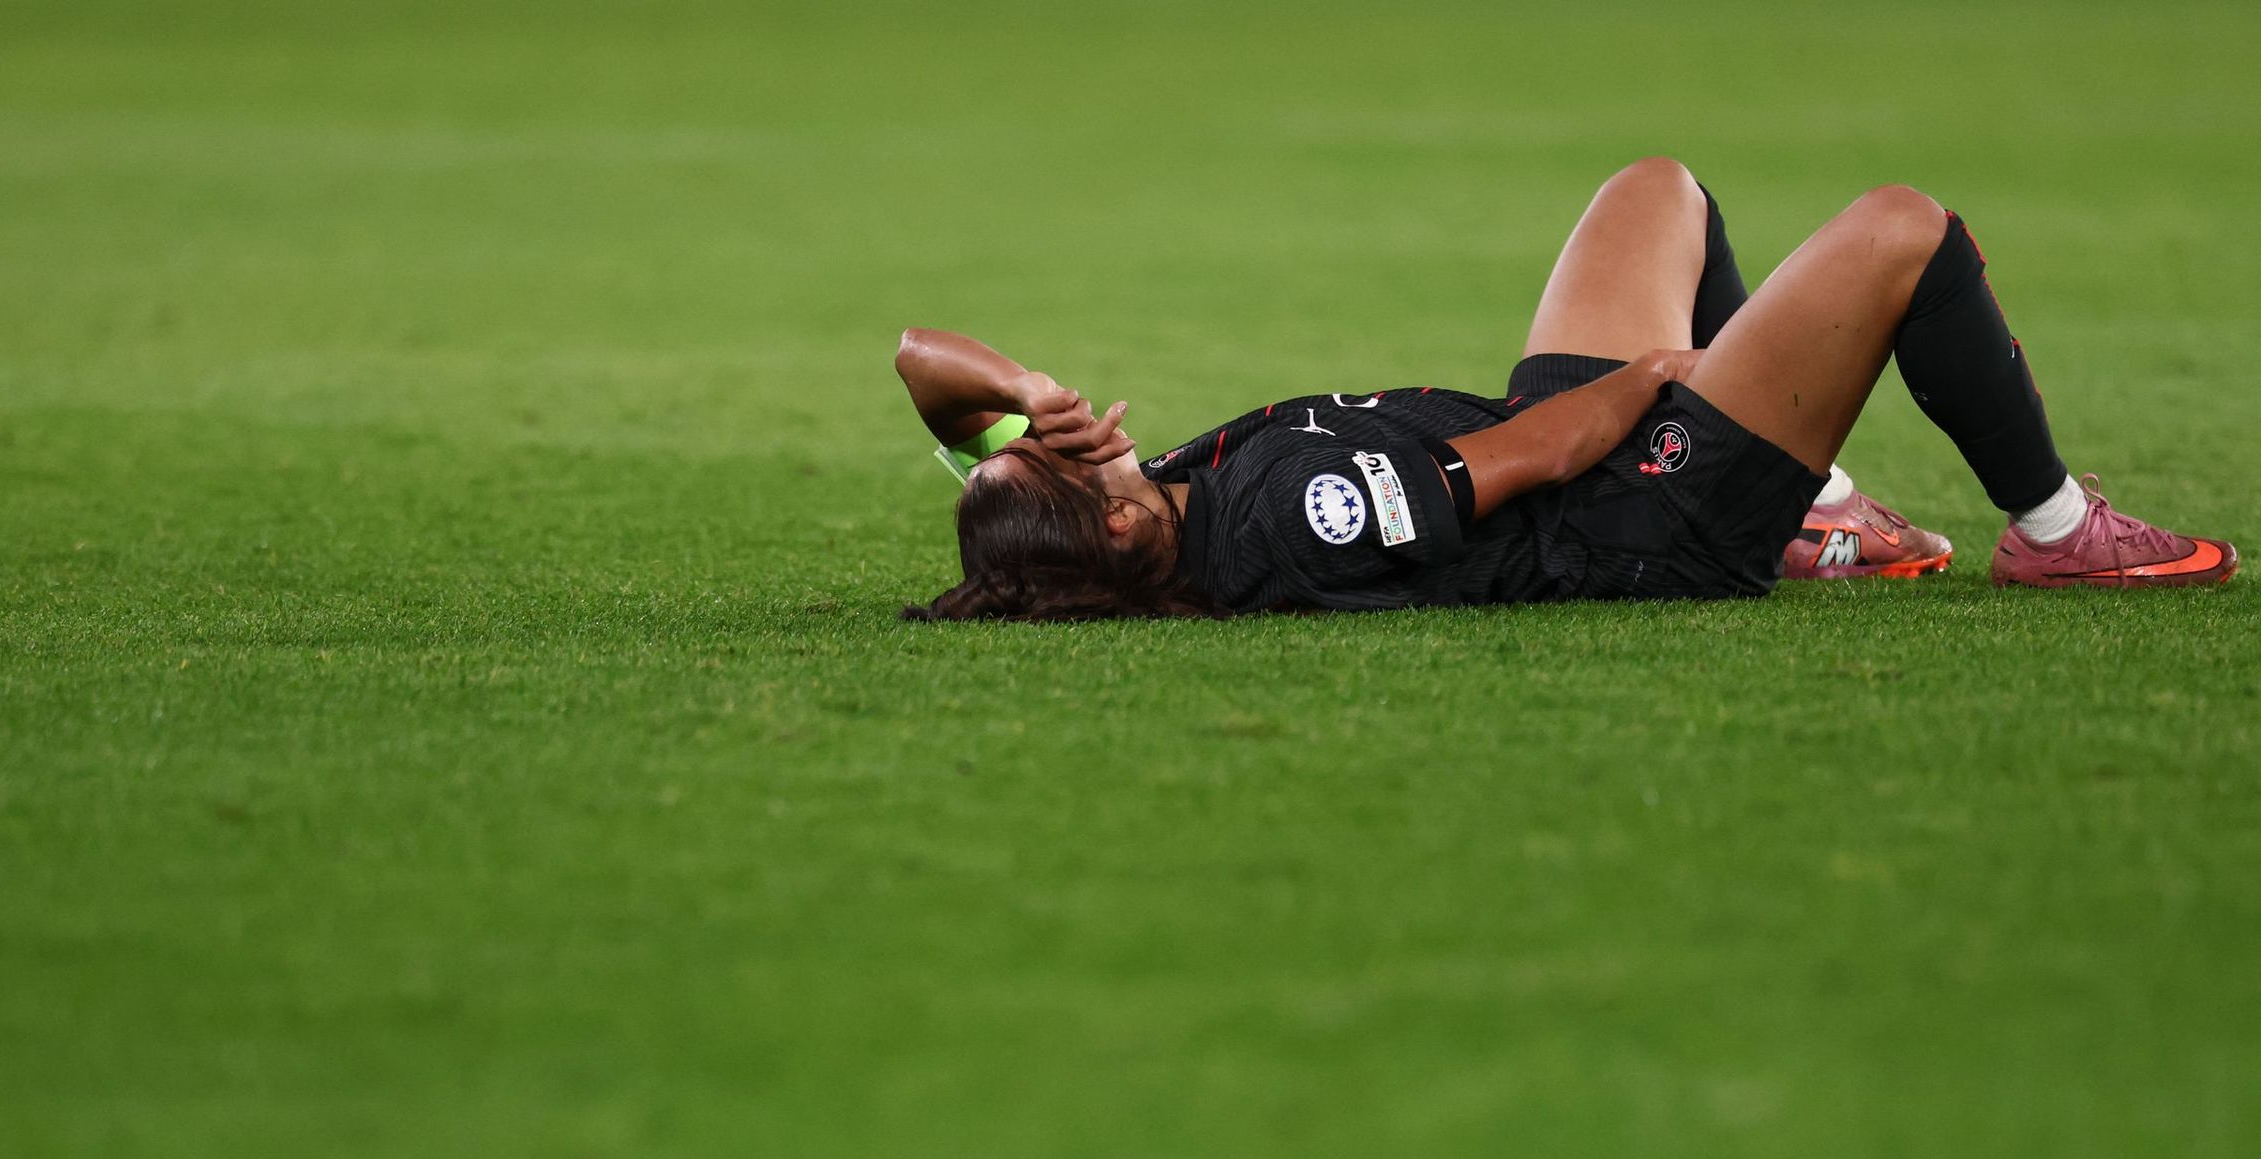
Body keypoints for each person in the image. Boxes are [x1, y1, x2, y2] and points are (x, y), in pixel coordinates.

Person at [898, 158, 2236, 620]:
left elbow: (918, 362)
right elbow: (1527, 461)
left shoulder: (1123, 527)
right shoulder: (1285, 524)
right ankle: (2060, 533)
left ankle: (1820, 513)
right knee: (1902, 231)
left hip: (1576, 452)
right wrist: (1656, 376)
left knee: (1654, 191)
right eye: (1075, 462)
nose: (1091, 435)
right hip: (1634, 516)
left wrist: (1017, 392)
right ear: (1118, 530)